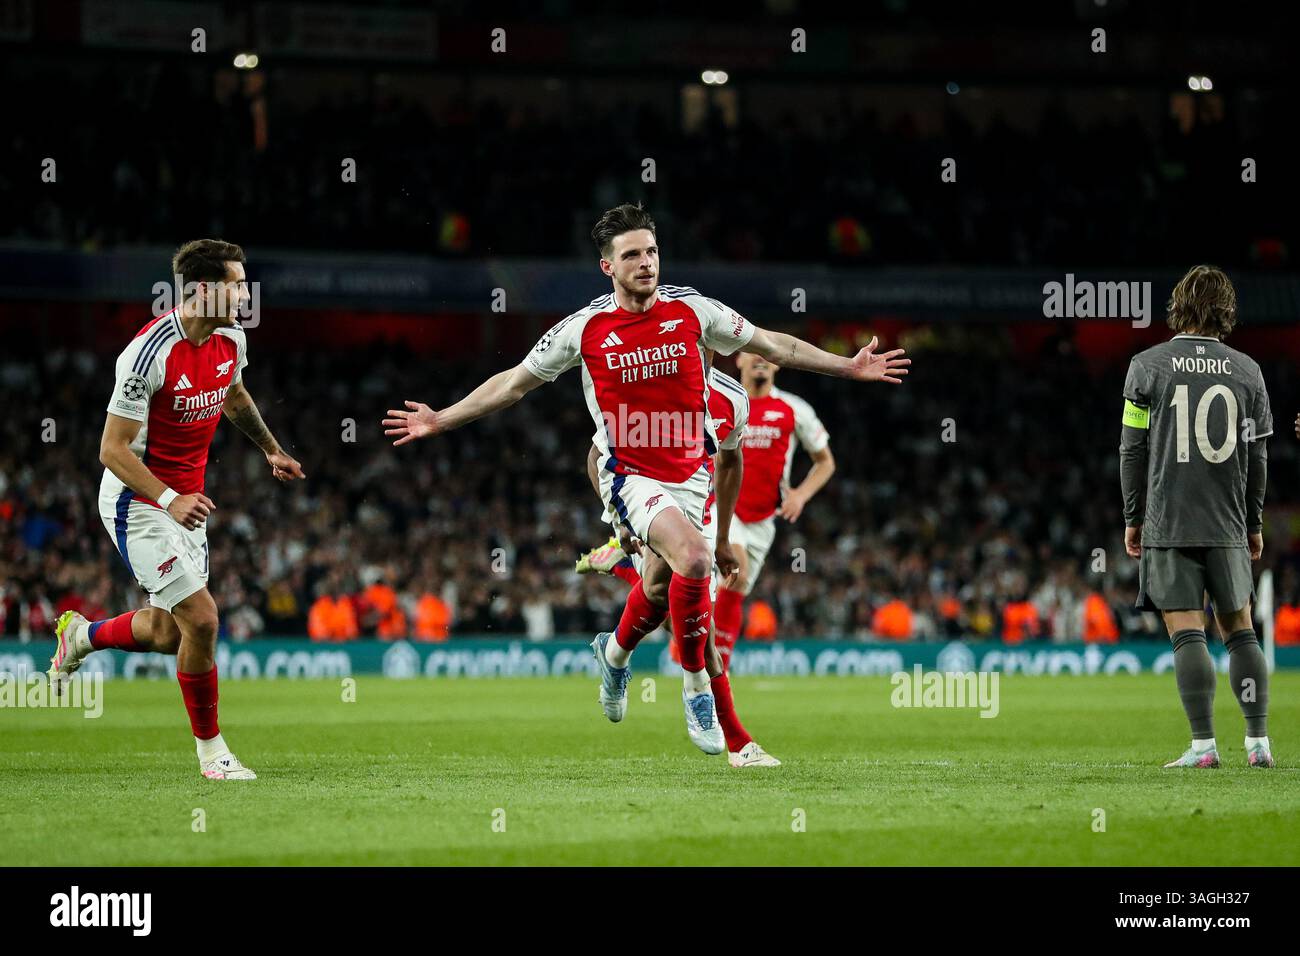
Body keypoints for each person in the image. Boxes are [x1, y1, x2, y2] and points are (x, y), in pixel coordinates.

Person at [383, 202, 908, 752]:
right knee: (696, 561)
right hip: (628, 476)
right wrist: (441, 418)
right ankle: (697, 690)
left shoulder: (696, 313)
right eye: (631, 254)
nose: (645, 263)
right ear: (607, 267)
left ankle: (612, 655)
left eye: (651, 251)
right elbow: (512, 384)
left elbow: (773, 344)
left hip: (690, 481)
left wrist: (847, 365)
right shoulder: (584, 328)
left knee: (659, 589)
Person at [47, 239, 305, 780]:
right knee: (204, 619)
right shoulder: (147, 354)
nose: (244, 293)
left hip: (188, 505)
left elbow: (233, 395)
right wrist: (169, 498)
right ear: (205, 288)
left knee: (172, 634)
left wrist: (271, 449)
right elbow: (110, 449)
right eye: (236, 283)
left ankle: (83, 637)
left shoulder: (231, 337)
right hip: (137, 500)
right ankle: (213, 753)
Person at [1120, 264, 1273, 769]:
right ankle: (1258, 744)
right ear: (1226, 311)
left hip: (1169, 521)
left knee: (1187, 630)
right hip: (1227, 522)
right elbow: (1258, 458)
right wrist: (1253, 523)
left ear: (1177, 305)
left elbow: (1132, 450)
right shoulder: (1249, 372)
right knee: (1241, 630)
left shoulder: (1146, 366)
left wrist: (1133, 515)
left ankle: (1204, 746)